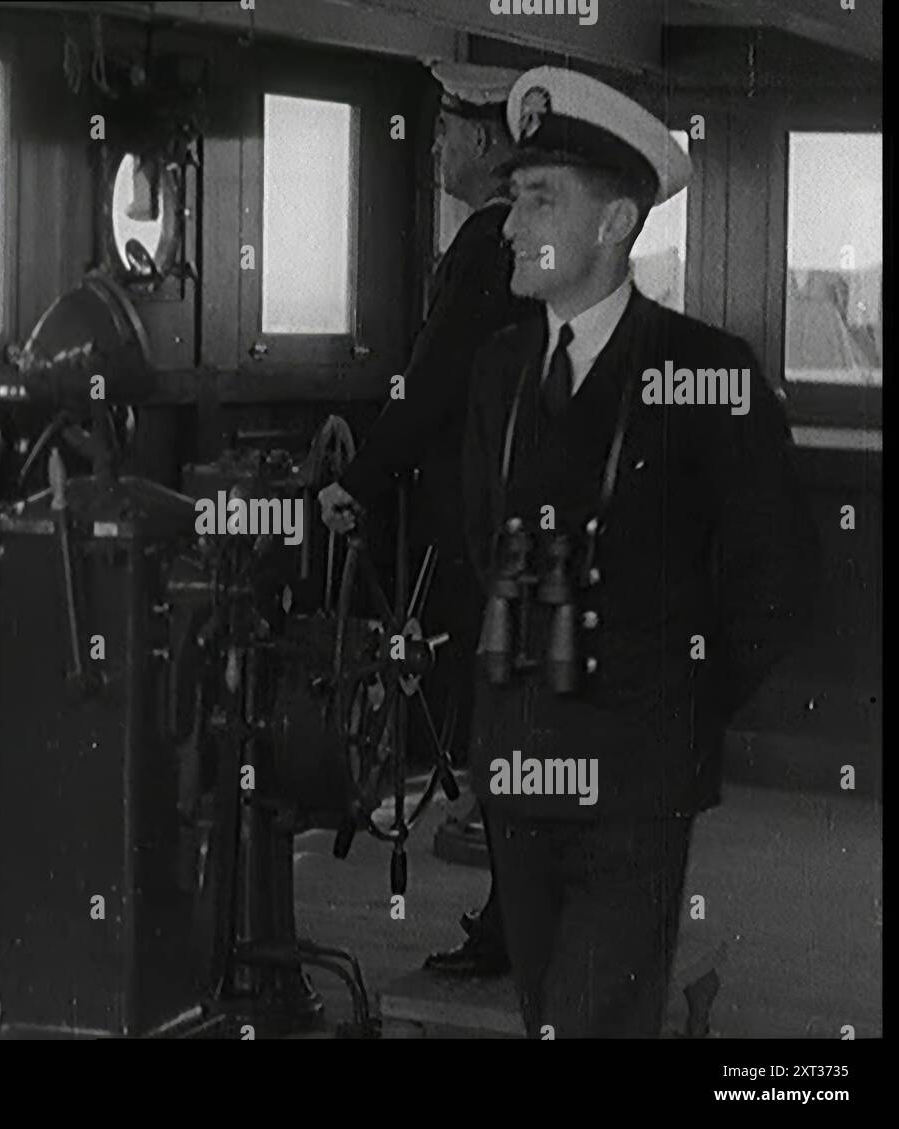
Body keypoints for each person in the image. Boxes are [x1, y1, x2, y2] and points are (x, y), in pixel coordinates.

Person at [461, 66, 819, 1036]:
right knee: (546, 1007)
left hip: (637, 768)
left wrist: (678, 704)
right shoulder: (496, 371)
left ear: (615, 223)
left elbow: (775, 582)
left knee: (594, 1018)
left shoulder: (706, 373)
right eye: (513, 197)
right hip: (519, 759)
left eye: (539, 198)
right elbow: (472, 546)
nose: (508, 222)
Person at [318, 62, 539, 978]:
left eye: (448, 131)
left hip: (481, 526)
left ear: (485, 142)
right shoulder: (519, 244)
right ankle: (525, 915)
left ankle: (517, 923)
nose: (437, 146)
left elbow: (432, 382)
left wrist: (355, 482)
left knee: (497, 722)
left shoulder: (490, 246)